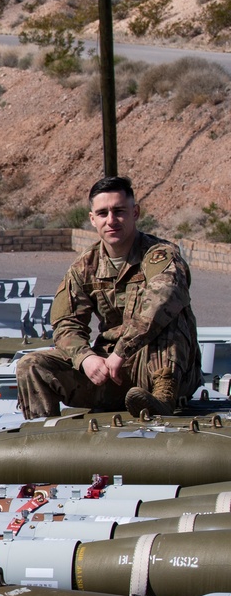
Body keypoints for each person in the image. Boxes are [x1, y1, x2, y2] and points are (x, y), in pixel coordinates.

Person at [16, 176, 199, 418]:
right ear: (93, 219)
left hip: (162, 370)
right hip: (111, 373)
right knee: (31, 365)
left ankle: (163, 399)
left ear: (135, 213)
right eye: (103, 213)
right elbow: (66, 323)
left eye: (119, 211)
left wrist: (121, 351)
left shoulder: (160, 255)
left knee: (166, 314)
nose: (111, 220)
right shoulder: (84, 266)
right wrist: (86, 359)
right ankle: (41, 432)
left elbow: (164, 297)